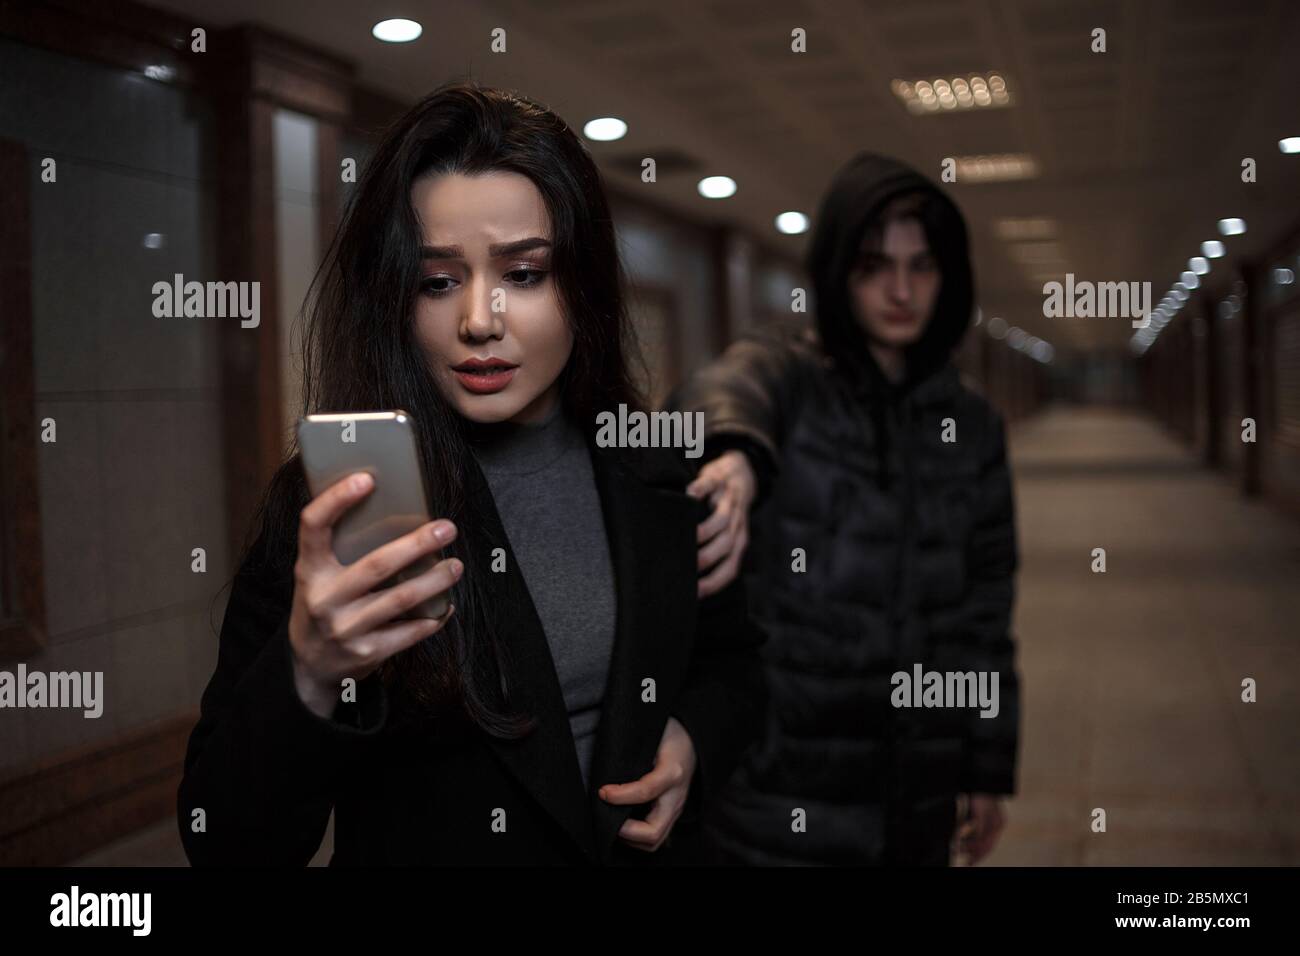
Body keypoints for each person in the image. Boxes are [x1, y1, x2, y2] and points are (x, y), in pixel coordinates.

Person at [177, 83, 766, 866]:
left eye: (523, 274)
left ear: (580, 287)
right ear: (396, 296)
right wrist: (310, 672)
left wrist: (690, 738)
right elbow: (225, 840)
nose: (480, 320)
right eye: (438, 281)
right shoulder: (337, 503)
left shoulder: (657, 464)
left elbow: (734, 664)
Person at [671, 152, 1019, 866]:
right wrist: (733, 453)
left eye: (921, 266)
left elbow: (983, 617)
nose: (901, 290)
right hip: (778, 788)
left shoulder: (973, 426)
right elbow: (727, 388)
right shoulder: (790, 374)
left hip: (914, 789)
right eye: (873, 267)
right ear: (838, 273)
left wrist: (985, 768)